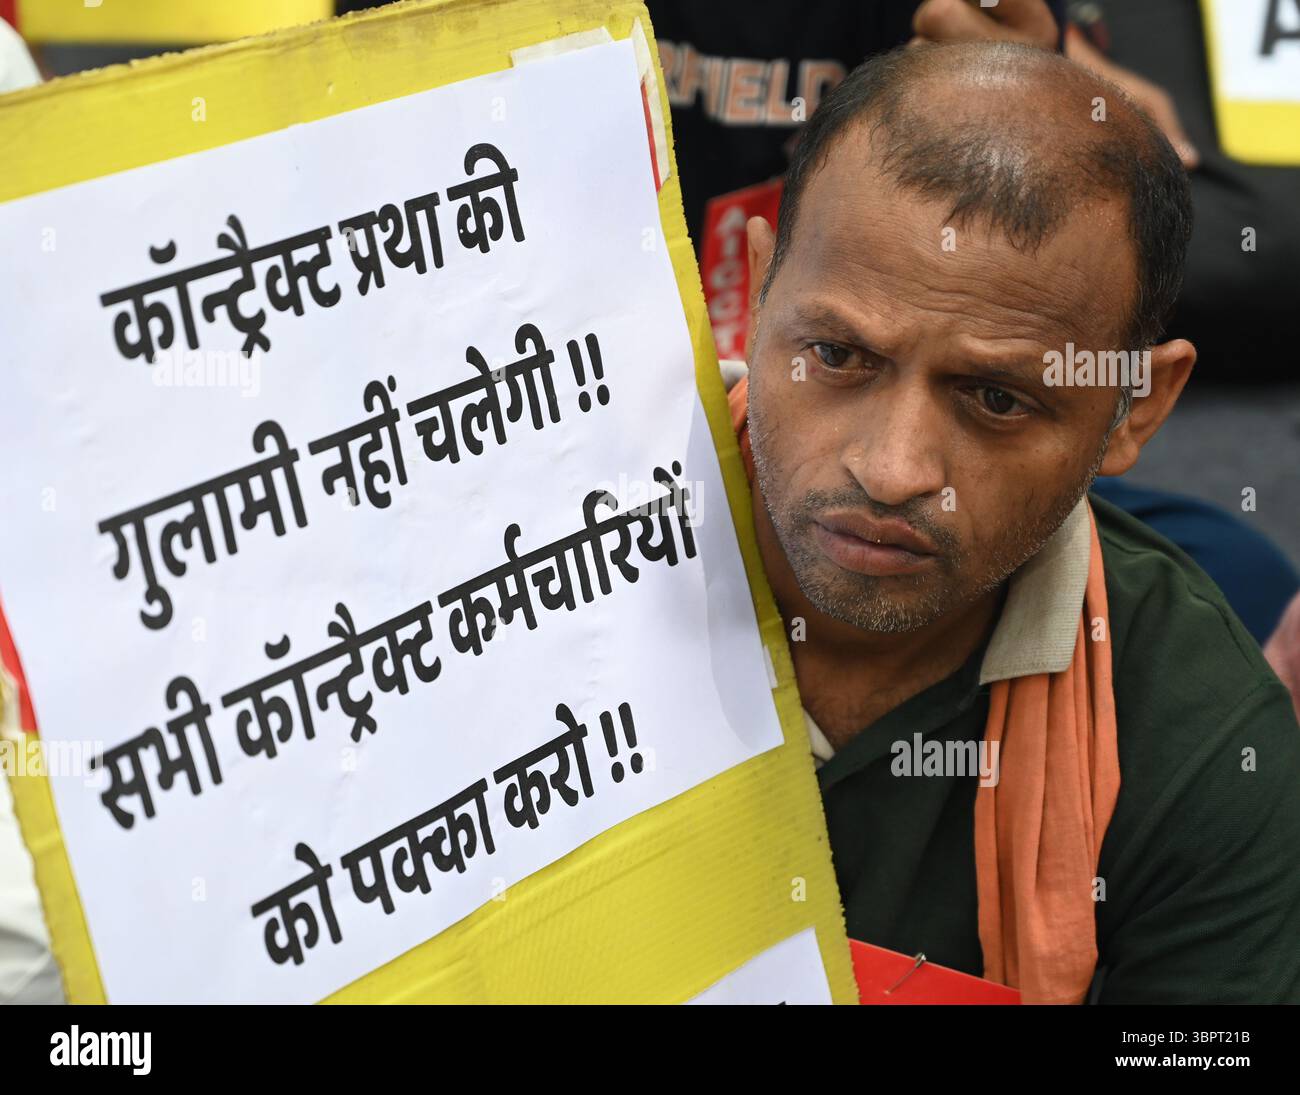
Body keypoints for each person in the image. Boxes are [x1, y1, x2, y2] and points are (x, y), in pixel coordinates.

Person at [729, 40, 1300, 1003]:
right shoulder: (512, 568)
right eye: (835, 353)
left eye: (995, 399)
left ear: (1136, 410)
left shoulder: (1199, 736)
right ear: (755, 298)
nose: (894, 469)